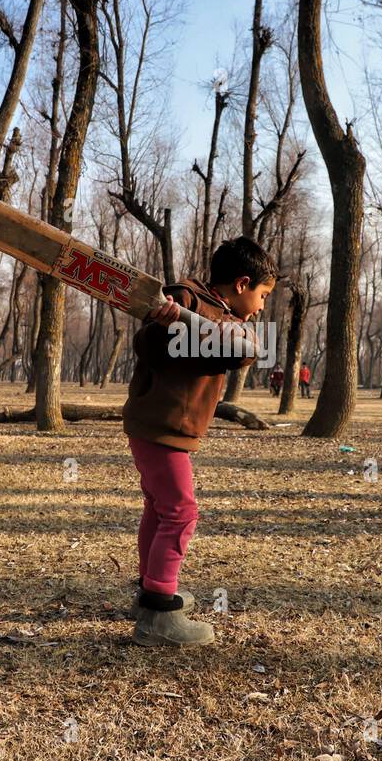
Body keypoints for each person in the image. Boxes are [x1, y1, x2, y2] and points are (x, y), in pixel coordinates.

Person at [123, 237, 279, 646]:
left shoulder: (226, 320)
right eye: (262, 295)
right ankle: (157, 612)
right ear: (243, 283)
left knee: (160, 509)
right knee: (181, 512)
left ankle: (152, 590)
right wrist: (171, 320)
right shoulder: (183, 298)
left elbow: (245, 352)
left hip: (165, 429)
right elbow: (148, 346)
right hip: (160, 426)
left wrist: (195, 330)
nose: (262, 306)